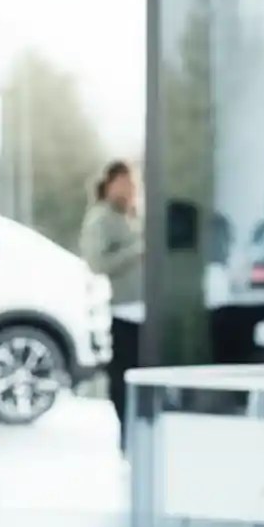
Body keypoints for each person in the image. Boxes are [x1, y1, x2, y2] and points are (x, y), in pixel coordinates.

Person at [78, 160, 143, 453]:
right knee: (123, 378)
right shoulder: (101, 218)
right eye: (125, 183)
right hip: (124, 311)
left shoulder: (131, 215)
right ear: (111, 183)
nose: (130, 189)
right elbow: (97, 262)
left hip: (143, 311)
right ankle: (127, 438)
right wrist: (138, 251)